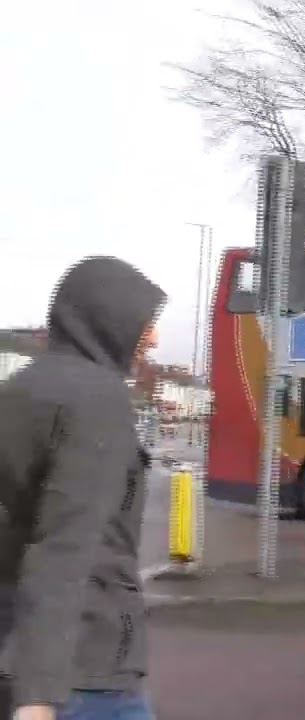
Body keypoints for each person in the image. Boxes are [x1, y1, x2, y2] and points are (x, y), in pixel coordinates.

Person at [0, 257, 167, 720]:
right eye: (144, 324)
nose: (152, 338)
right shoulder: (100, 397)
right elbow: (64, 545)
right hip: (87, 664)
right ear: (106, 319)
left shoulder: (22, 387)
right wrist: (37, 695)